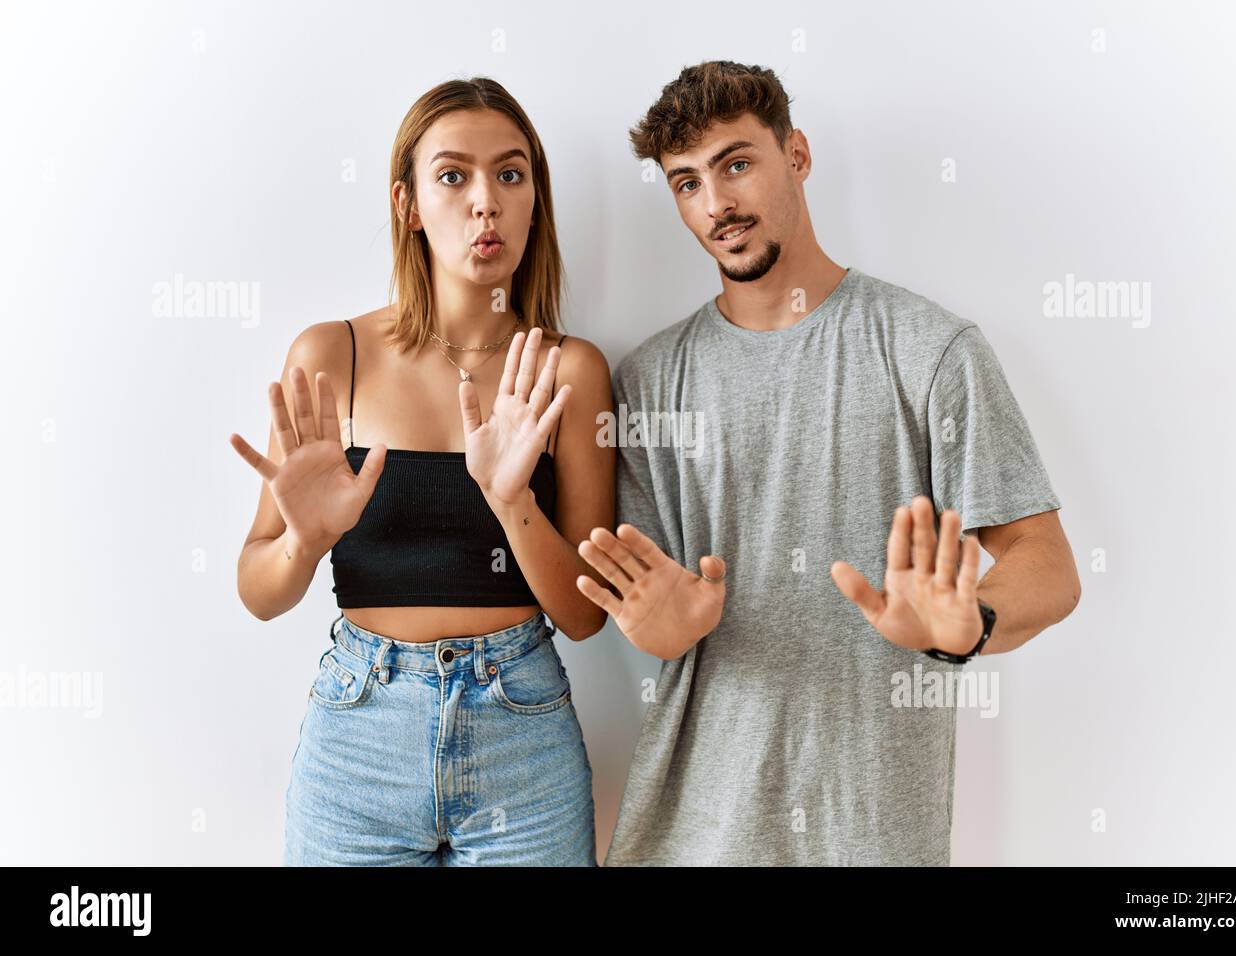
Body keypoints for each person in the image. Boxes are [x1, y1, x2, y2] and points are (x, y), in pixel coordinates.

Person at [576, 61, 1081, 865]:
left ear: (797, 155)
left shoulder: (930, 350)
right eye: (686, 183)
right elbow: (656, 622)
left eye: (737, 163)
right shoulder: (647, 381)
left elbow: (1047, 564)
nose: (717, 205)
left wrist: (968, 626)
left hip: (873, 836)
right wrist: (667, 628)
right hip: (690, 838)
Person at [228, 78, 615, 866]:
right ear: (407, 204)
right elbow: (257, 590)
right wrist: (303, 542)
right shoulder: (331, 354)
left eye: (511, 175)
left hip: (523, 736)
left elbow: (585, 619)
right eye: (453, 176)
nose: (486, 202)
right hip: (359, 737)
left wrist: (513, 504)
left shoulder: (568, 371)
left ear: (535, 200)